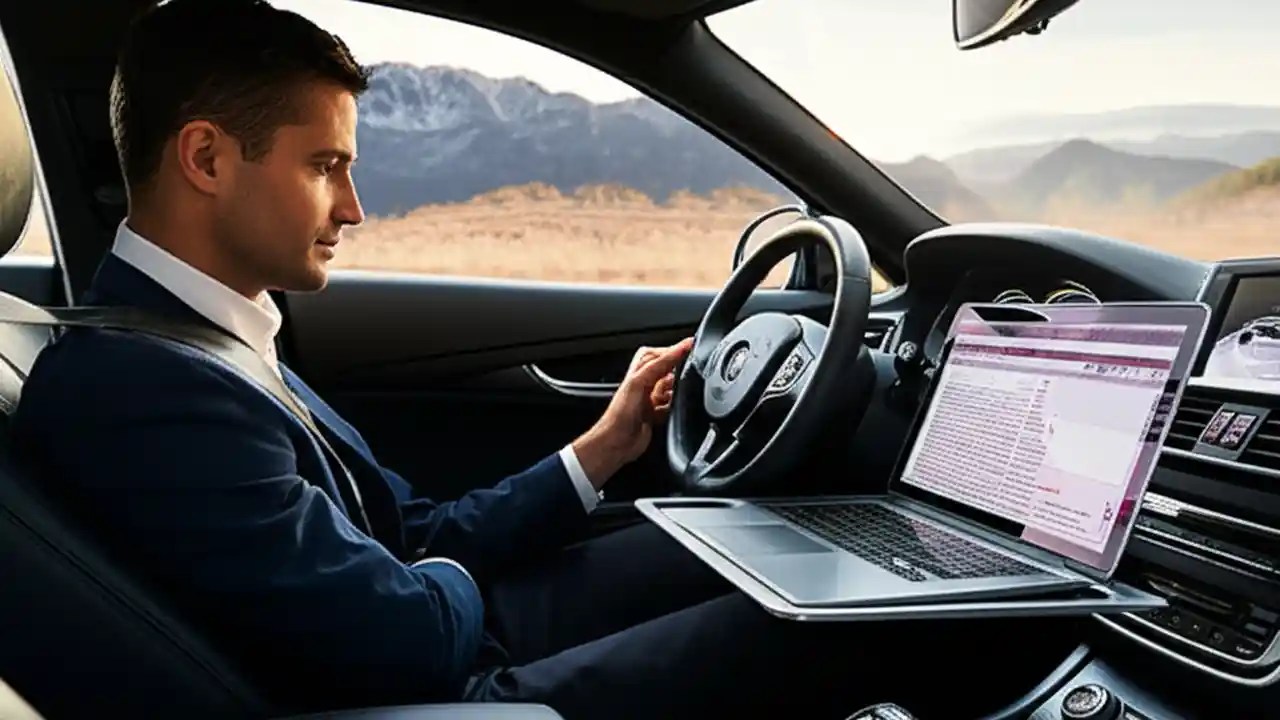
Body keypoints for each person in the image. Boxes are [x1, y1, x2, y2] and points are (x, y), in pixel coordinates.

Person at [11, 1, 1076, 719]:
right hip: (450, 695)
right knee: (841, 621)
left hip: (436, 635)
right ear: (205, 157)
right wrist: (430, 579)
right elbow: (400, 639)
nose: (355, 206)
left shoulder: (204, 338)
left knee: (750, 544)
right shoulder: (140, 390)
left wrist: (599, 451)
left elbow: (408, 535)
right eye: (325, 166)